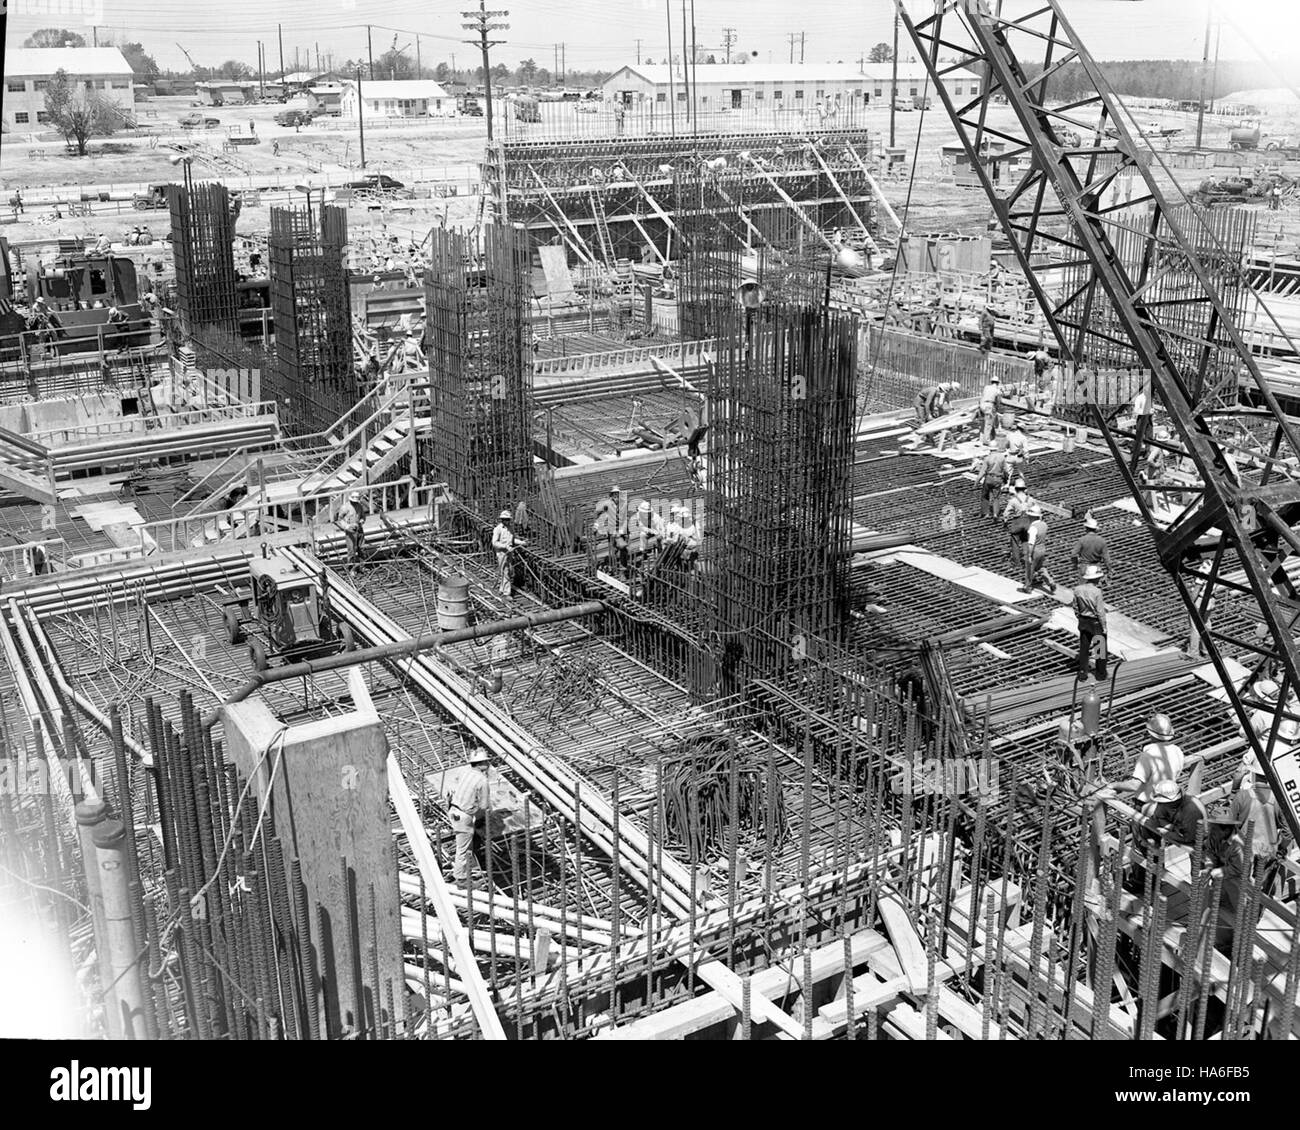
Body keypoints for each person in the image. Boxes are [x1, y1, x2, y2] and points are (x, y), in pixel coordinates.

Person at [1112, 712, 1184, 804]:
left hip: (1147, 803)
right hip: (1167, 801)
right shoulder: (1177, 751)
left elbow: (1134, 785)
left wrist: (1114, 785)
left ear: (1150, 733)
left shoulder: (1148, 756)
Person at [449, 747, 493, 884]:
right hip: (463, 817)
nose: (488, 763)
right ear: (481, 764)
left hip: (454, 810)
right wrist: (481, 818)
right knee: (463, 849)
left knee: (464, 843)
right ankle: (461, 879)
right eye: (486, 761)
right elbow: (485, 806)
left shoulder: (466, 771)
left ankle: (461, 872)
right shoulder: (482, 780)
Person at [1135, 778, 1205, 848]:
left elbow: (1189, 838)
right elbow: (1159, 816)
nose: (1160, 804)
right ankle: (1152, 846)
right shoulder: (1165, 804)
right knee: (1147, 809)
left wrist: (1167, 833)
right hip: (1177, 826)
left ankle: (1158, 851)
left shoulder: (1191, 811)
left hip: (1196, 837)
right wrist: (1168, 826)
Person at [1073, 563, 1108, 684]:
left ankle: (1082, 673)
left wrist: (1080, 618)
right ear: (1096, 578)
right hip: (1095, 623)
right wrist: (1104, 627)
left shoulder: (1077, 589)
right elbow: (1100, 612)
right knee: (1100, 649)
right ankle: (1100, 674)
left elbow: (1075, 607)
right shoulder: (1097, 592)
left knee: (1084, 648)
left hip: (1083, 621)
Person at [1022, 504, 1057, 594]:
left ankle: (1027, 586)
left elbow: (1031, 543)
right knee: (1040, 567)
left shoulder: (1033, 528)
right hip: (1042, 548)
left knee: (1030, 569)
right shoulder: (1044, 524)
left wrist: (1029, 555)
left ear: (1032, 517)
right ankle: (1051, 582)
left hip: (1035, 550)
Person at [1069, 511, 1113, 581]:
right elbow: (1106, 558)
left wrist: (1075, 564)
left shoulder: (1082, 540)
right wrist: (1109, 570)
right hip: (1096, 568)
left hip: (1084, 567)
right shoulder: (1102, 541)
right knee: (1095, 587)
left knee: (1082, 588)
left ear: (1086, 528)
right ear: (1096, 529)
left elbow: (1073, 554)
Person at [492, 508, 525, 596]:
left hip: (509, 552)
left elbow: (513, 540)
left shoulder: (510, 528)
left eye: (508, 520)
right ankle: (507, 593)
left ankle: (502, 589)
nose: (507, 521)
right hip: (502, 553)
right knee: (506, 571)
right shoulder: (498, 529)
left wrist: (521, 542)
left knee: (506, 571)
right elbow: (494, 543)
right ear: (502, 520)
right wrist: (506, 546)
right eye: (505, 520)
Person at [593, 485, 627, 571]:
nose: (616, 496)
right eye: (614, 494)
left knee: (622, 547)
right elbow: (597, 512)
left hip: (621, 529)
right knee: (615, 547)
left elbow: (625, 518)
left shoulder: (623, 504)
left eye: (617, 494)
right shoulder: (607, 504)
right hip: (612, 529)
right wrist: (596, 525)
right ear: (611, 495)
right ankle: (614, 565)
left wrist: (621, 530)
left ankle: (622, 564)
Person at [1002, 482, 1034, 569]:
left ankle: (1016, 562)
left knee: (1015, 542)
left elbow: (1006, 513)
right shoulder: (1031, 499)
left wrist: (1005, 522)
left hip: (1017, 522)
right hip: (1028, 521)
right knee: (1026, 540)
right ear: (1024, 489)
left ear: (1016, 489)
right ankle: (1026, 559)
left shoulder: (1013, 500)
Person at [974, 441, 1008, 520]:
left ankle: (985, 513)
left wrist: (976, 482)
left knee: (985, 496)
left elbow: (982, 472)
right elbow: (1006, 470)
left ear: (990, 449)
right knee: (996, 497)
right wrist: (1005, 479)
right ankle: (996, 514)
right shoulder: (1002, 457)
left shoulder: (987, 458)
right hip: (998, 479)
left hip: (989, 478)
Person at [336, 491, 364, 561]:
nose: (355, 502)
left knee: (361, 549)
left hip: (359, 529)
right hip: (350, 531)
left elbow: (363, 516)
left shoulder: (359, 506)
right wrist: (347, 526)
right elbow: (340, 519)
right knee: (351, 550)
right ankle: (351, 568)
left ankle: (362, 566)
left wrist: (362, 520)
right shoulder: (345, 507)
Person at [979, 374, 1002, 445]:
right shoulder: (997, 390)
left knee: (984, 422)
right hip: (989, 406)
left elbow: (983, 395)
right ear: (997, 383)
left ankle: (982, 438)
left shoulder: (986, 387)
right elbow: (998, 401)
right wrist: (997, 408)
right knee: (988, 424)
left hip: (982, 404)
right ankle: (986, 441)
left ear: (991, 382)